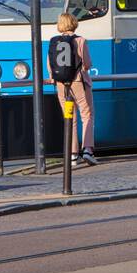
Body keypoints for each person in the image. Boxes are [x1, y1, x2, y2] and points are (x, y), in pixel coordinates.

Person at [52, 12, 97, 167]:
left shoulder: (54, 42)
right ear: (74, 23)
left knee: (69, 116)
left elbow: (50, 66)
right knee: (87, 114)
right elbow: (87, 64)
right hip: (78, 81)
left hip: (60, 83)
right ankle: (87, 150)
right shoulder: (80, 40)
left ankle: (72, 155)